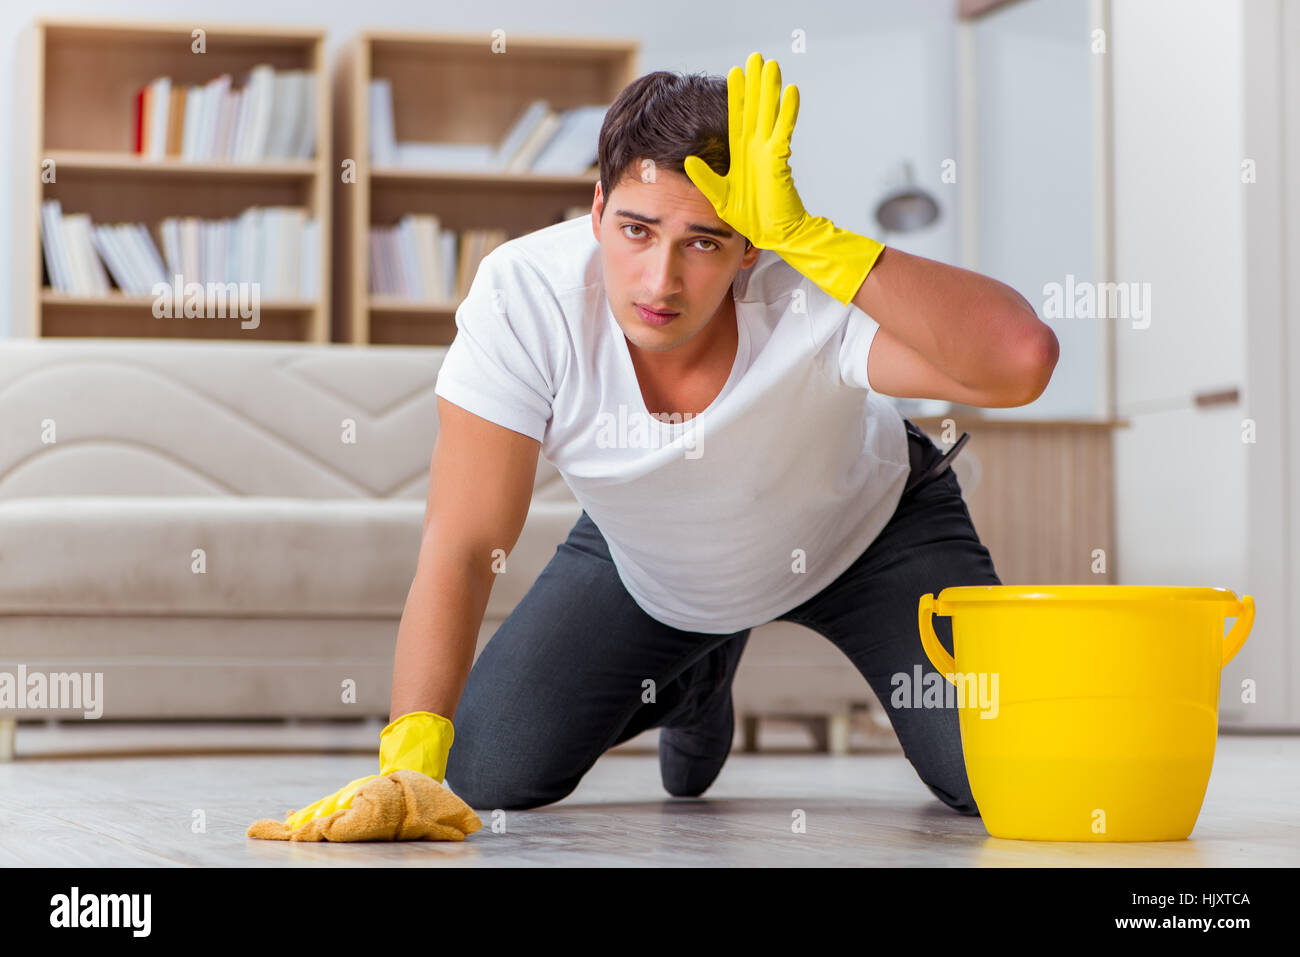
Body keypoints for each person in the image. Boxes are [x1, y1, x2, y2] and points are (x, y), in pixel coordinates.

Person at [282, 52, 1058, 829]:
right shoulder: (525, 297)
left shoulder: (804, 287)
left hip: (871, 536)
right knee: (483, 771)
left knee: (1007, 776)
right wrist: (408, 770)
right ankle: (693, 681)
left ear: (749, 245)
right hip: (654, 560)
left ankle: (705, 659)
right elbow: (461, 542)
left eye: (704, 242)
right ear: (596, 210)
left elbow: (1021, 362)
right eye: (636, 229)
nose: (659, 282)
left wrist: (811, 236)